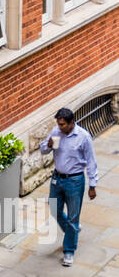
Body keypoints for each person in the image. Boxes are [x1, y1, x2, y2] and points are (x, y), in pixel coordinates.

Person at [39, 107, 98, 267]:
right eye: (58, 124)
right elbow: (43, 150)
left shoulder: (83, 137)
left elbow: (91, 161)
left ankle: (69, 250)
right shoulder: (56, 132)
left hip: (75, 180)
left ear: (72, 123)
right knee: (54, 209)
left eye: (63, 124)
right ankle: (73, 232)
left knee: (73, 216)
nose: (60, 127)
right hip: (57, 178)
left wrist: (92, 185)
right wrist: (48, 144)